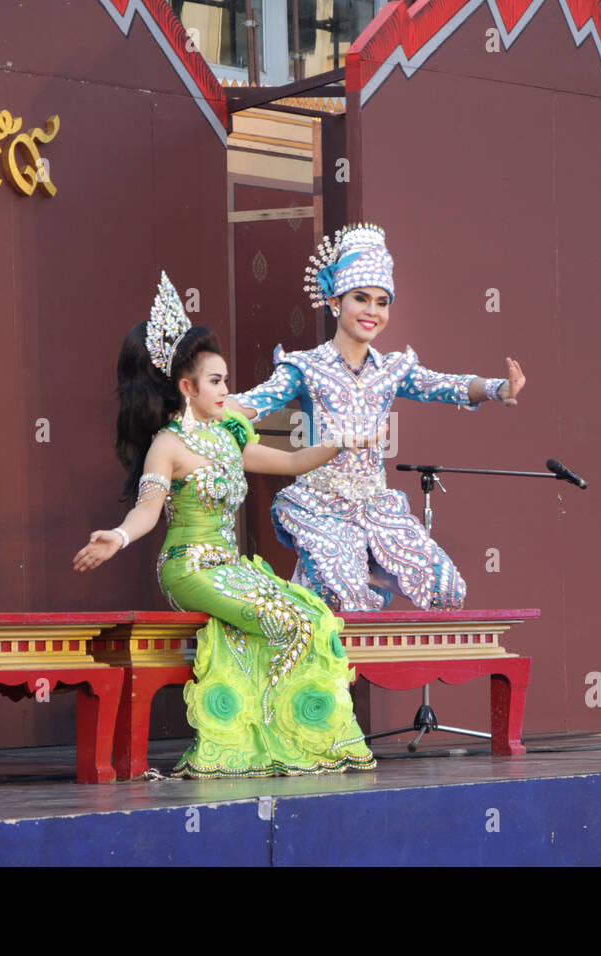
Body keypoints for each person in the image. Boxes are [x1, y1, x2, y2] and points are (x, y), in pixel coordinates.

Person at [73, 272, 378, 778]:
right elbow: (147, 512)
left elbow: (293, 463)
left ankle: (280, 742)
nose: (226, 390)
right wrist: (119, 536)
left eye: (226, 380)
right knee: (287, 622)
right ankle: (259, 741)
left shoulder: (227, 437)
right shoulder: (168, 446)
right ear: (186, 387)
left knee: (314, 617)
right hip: (190, 569)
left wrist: (341, 441)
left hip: (233, 569)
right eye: (216, 381)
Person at [226, 223, 526, 611]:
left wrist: (497, 388)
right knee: (341, 595)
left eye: (381, 302)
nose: (372, 311)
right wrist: (199, 404)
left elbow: (443, 385)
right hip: (321, 505)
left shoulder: (392, 369)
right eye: (361, 298)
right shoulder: (304, 367)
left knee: (447, 590)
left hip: (376, 508)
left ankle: (356, 572)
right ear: (335, 302)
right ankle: (333, 581)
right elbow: (252, 403)